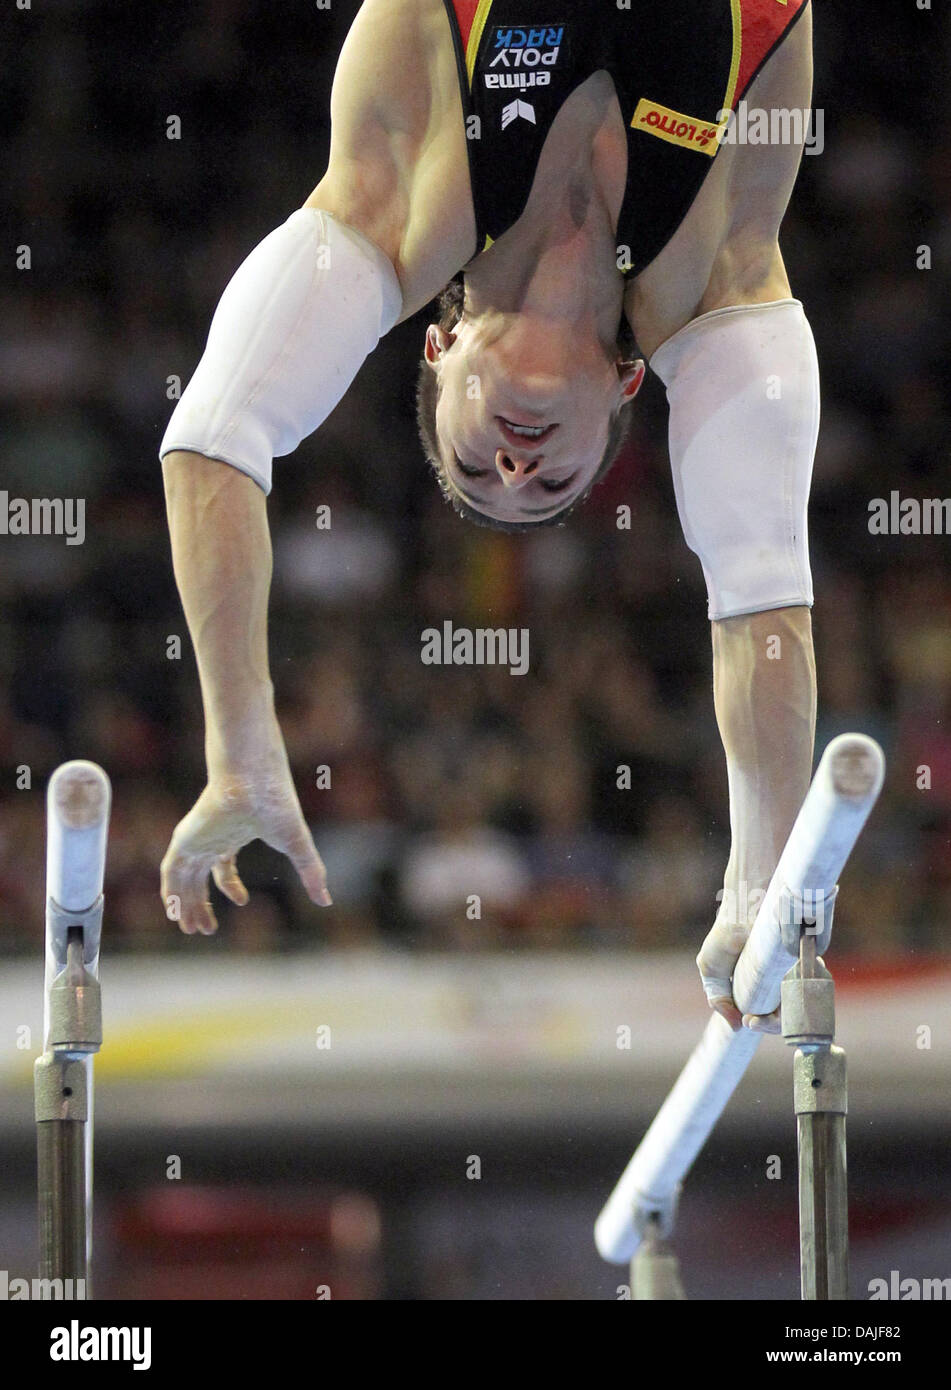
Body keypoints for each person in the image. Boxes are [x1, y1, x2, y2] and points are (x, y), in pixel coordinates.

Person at [159, 0, 819, 1032]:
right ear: (624, 400)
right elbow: (761, 595)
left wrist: (238, 740)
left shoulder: (408, 198)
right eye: (548, 483)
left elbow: (213, 435)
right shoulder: (718, 280)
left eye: (479, 463)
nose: (517, 462)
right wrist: (757, 884)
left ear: (439, 347)